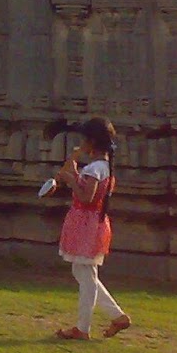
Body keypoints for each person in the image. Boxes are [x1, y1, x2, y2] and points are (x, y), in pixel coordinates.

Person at [52, 116, 131, 340]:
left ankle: (83, 328)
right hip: (92, 222)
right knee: (84, 272)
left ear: (92, 143)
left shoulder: (96, 168)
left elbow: (87, 197)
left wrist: (70, 179)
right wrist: (73, 171)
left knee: (85, 274)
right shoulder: (102, 167)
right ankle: (116, 316)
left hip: (86, 223)